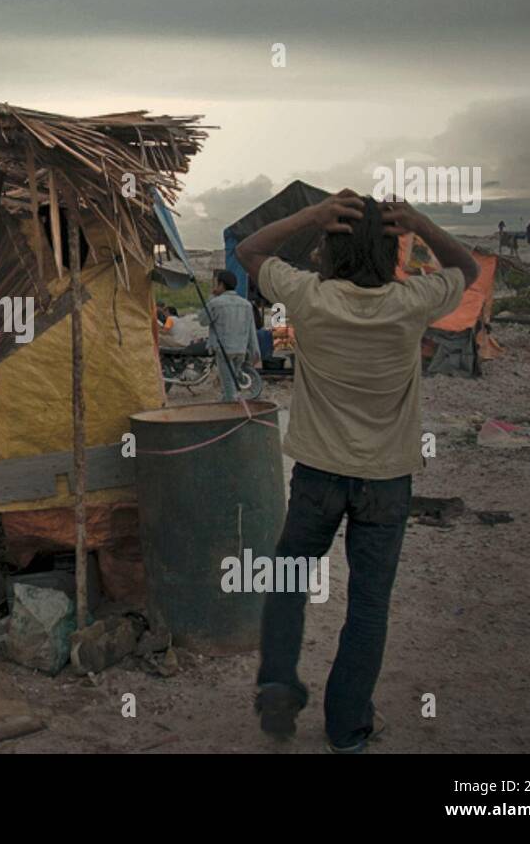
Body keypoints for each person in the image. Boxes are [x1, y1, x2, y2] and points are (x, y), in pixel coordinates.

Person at [235, 190, 478, 753]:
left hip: (319, 475)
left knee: (290, 580)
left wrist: (311, 214)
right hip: (387, 481)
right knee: (369, 606)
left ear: (328, 248)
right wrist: (420, 222)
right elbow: (464, 268)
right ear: (393, 249)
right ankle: (347, 728)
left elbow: (249, 249)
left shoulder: (309, 296)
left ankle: (277, 687)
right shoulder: (413, 300)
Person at [198, 269, 261, 402]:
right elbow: (251, 331)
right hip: (241, 350)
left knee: (229, 388)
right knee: (231, 383)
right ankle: (229, 403)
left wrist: (211, 298)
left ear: (221, 285)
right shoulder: (246, 304)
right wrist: (255, 351)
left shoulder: (216, 303)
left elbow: (203, 320)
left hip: (224, 351)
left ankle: (233, 413)